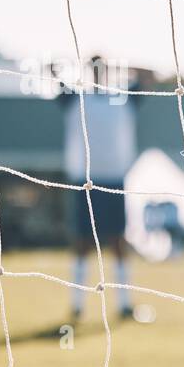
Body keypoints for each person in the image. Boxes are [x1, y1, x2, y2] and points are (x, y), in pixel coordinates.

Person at [60, 57, 138, 321]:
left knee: (118, 242)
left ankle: (125, 305)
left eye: (102, 68)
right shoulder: (76, 100)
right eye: (93, 68)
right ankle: (77, 305)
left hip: (116, 179)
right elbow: (50, 77)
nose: (98, 73)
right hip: (87, 180)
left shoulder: (122, 99)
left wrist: (126, 66)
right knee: (83, 243)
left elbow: (150, 79)